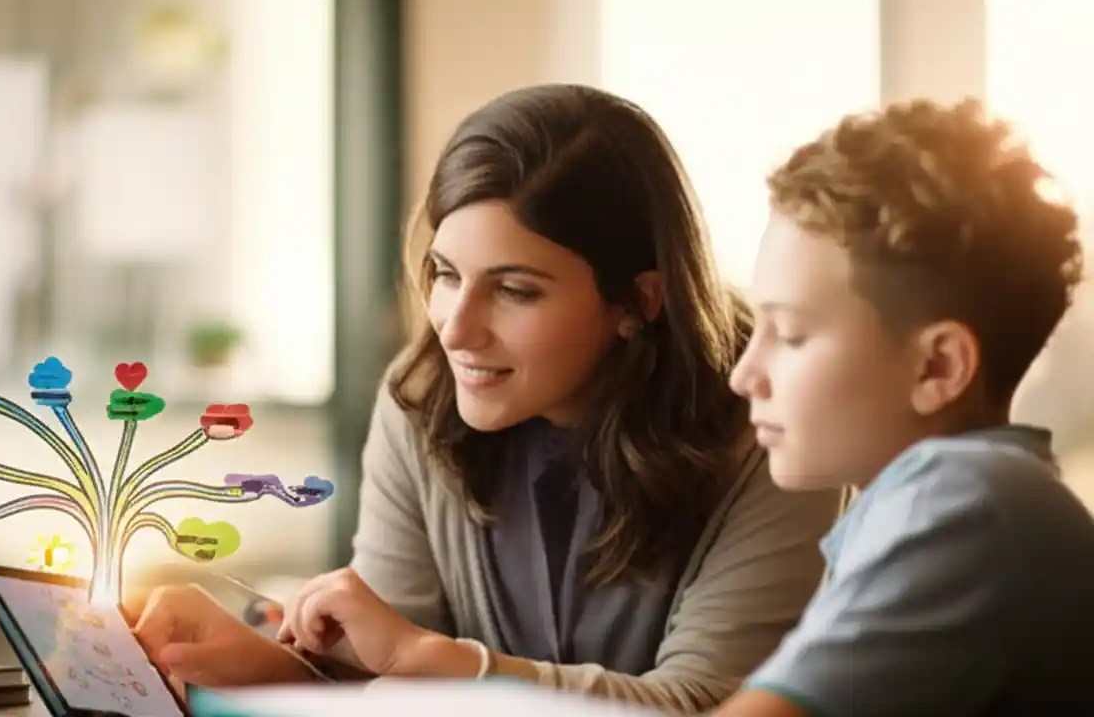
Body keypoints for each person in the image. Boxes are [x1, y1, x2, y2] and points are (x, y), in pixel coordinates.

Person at [133, 84, 840, 712]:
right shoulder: (420, 401)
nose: (455, 328)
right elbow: (386, 680)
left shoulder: (769, 422)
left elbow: (707, 704)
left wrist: (452, 667)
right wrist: (268, 669)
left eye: (514, 290)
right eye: (445, 274)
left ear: (636, 300)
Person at [713, 99, 1094, 716]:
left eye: (790, 334)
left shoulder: (966, 498)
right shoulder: (962, 503)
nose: (743, 375)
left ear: (937, 367)